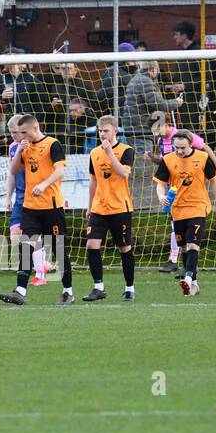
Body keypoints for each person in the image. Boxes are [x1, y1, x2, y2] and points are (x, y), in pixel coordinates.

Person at [0, 114, 73, 306]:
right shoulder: (25, 147)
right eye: (19, 132)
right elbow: (14, 170)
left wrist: (44, 184)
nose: (21, 136)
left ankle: (67, 291)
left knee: (58, 249)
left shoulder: (52, 144)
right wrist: (18, 152)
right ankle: (20, 291)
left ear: (35, 128)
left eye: (24, 132)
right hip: (30, 207)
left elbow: (60, 171)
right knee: (25, 246)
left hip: (51, 206)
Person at [147, 114, 216, 275]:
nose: (155, 132)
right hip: (175, 197)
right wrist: (154, 159)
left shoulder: (185, 136)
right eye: (177, 148)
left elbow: (206, 149)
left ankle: (186, 272)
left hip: (196, 200)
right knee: (180, 237)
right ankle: (181, 265)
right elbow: (165, 165)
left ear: (167, 124)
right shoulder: (162, 142)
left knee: (192, 243)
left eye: (157, 128)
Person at [82, 115, 136, 302]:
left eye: (105, 130)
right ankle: (98, 287)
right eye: (100, 131)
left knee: (124, 247)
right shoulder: (94, 153)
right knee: (92, 244)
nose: (102, 134)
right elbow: (93, 180)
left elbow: (123, 173)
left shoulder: (126, 150)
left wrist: (110, 153)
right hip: (99, 208)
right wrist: (89, 206)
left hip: (120, 207)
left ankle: (129, 287)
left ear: (115, 131)